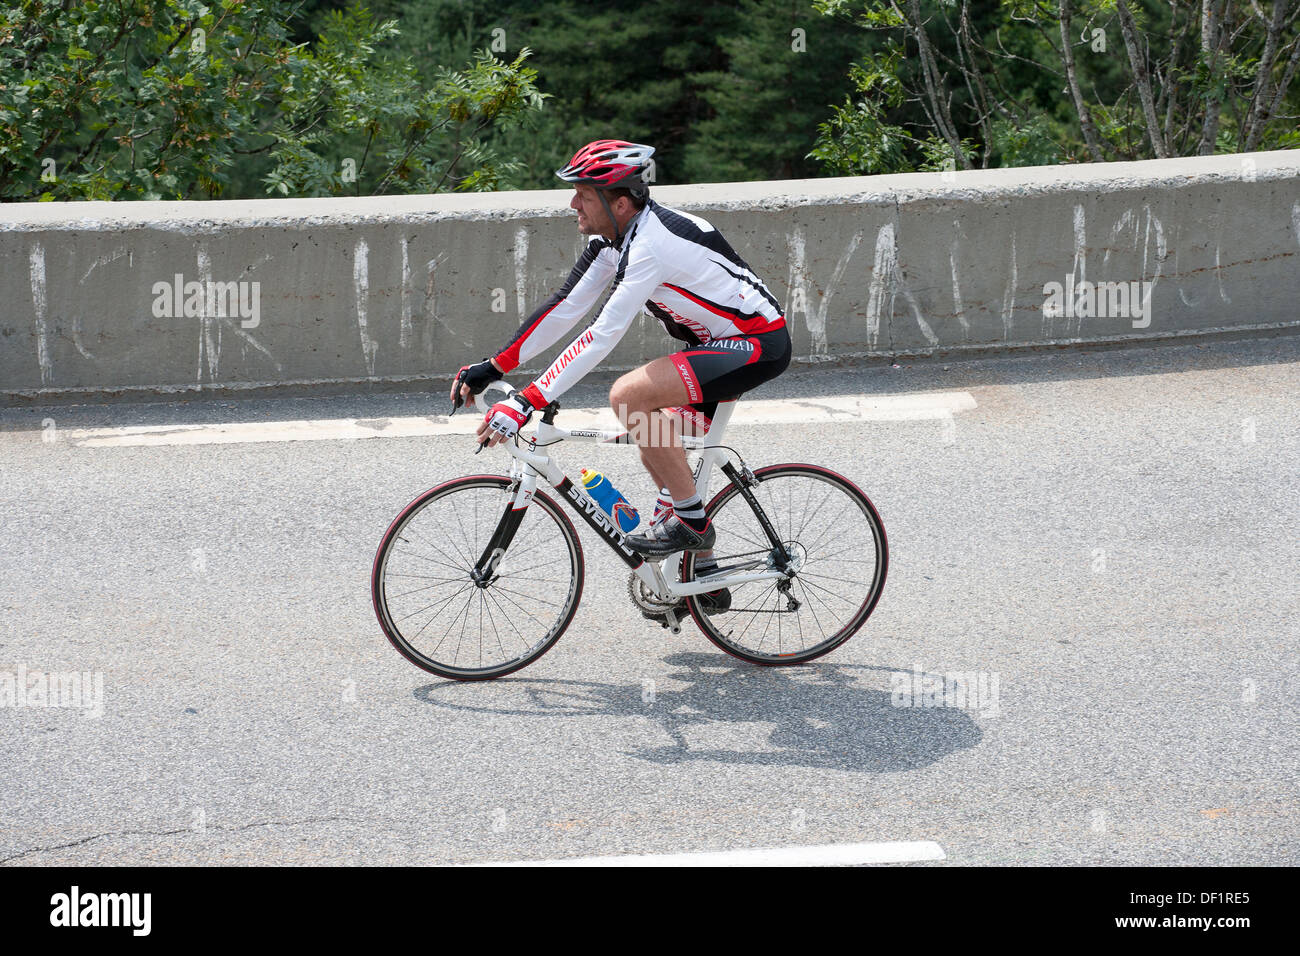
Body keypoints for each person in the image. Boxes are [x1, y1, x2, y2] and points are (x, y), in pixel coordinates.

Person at [450, 139, 791, 575]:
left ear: (623, 202)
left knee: (629, 398)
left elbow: (602, 334)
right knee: (657, 439)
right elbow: (566, 306)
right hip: (716, 346)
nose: (573, 203)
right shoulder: (614, 239)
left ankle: (693, 526)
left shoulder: (651, 245)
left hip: (756, 344)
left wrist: (525, 401)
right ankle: (702, 572)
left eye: (584, 195)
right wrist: (494, 366)